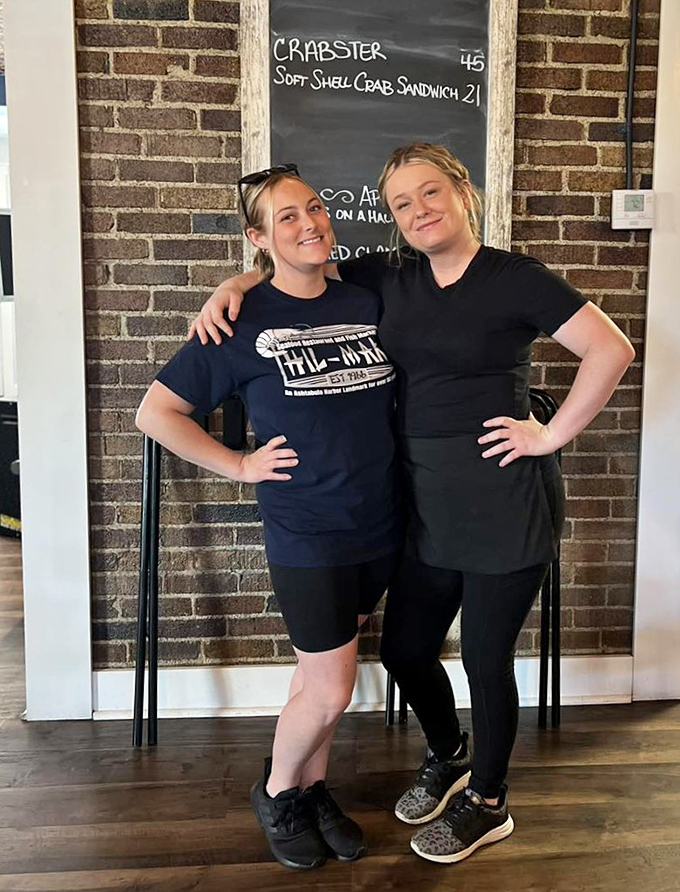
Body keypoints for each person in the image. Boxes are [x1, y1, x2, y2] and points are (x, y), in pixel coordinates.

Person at [188, 143, 635, 865]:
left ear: (462, 191)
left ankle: (488, 803)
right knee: (404, 648)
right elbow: (297, 269)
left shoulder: (513, 277)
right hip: (422, 505)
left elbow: (610, 349)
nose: (418, 211)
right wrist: (234, 285)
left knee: (486, 662)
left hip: (501, 504)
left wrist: (549, 434)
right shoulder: (389, 276)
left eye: (430, 193)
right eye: (401, 203)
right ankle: (450, 752)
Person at [136, 164, 403, 870]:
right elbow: (155, 412)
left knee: (318, 680)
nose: (310, 222)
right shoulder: (237, 322)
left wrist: (244, 275)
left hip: (379, 523)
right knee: (332, 689)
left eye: (313, 207)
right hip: (307, 529)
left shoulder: (367, 296)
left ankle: (315, 790)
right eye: (287, 217)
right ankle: (279, 791)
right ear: (258, 237)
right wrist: (238, 464)